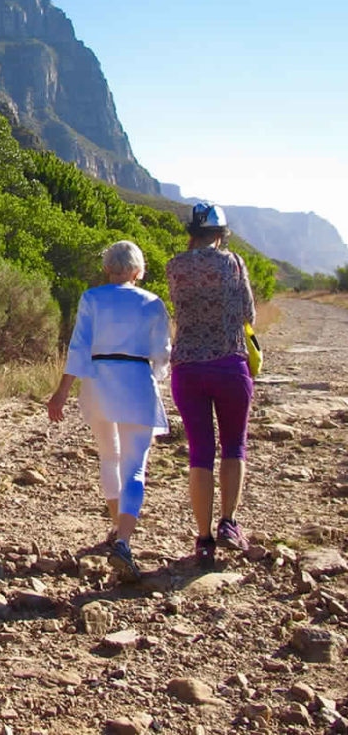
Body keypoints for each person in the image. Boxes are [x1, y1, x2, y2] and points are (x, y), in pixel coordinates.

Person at [46, 240, 171, 582]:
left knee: (108, 457)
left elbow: (78, 347)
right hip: (136, 381)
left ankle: (117, 529)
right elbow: (162, 353)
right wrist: (158, 375)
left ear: (107, 268)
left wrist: (61, 393)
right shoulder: (152, 302)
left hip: (99, 381)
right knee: (135, 465)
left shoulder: (92, 298)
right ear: (138, 271)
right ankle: (124, 541)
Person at [166, 202, 255, 569]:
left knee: (200, 452)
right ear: (221, 234)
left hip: (187, 368)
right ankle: (228, 524)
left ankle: (202, 539)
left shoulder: (174, 265)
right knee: (233, 445)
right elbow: (248, 314)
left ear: (192, 232)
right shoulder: (232, 262)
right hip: (229, 363)